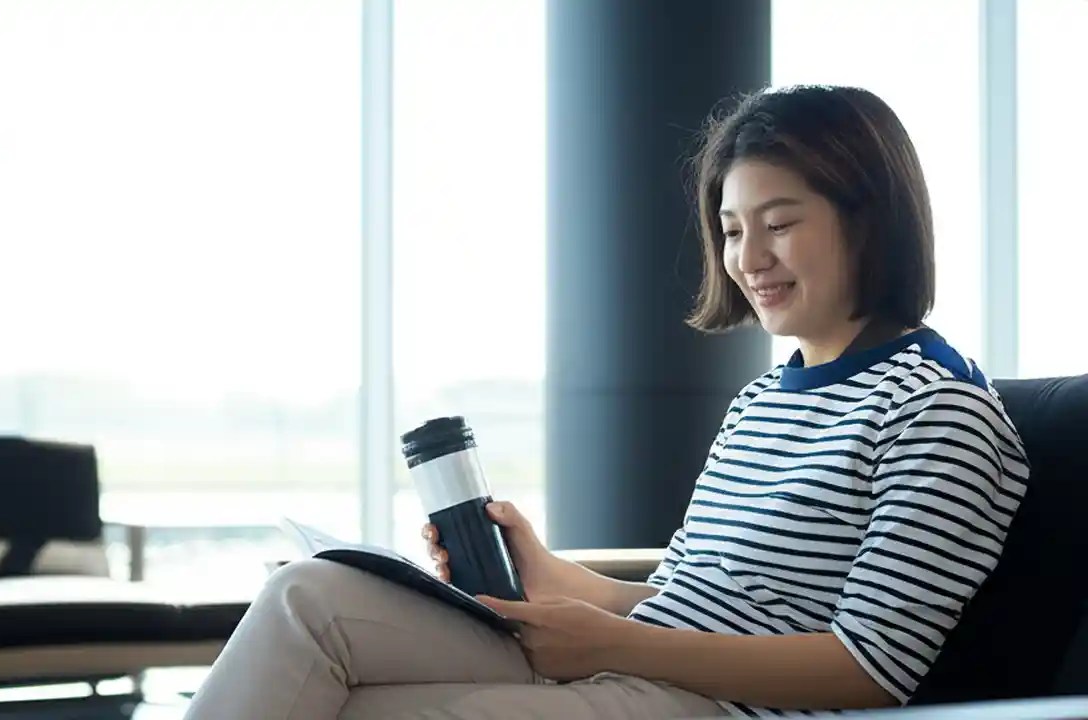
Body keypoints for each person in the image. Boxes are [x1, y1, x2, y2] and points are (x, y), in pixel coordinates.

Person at [181, 85, 1030, 719]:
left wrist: (620, 644)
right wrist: (551, 577)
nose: (749, 256)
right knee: (307, 597)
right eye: (733, 230)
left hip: (726, 707)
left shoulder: (938, 413)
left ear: (868, 221)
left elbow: (871, 667)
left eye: (780, 222)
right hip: (647, 668)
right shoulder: (764, 400)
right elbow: (694, 596)